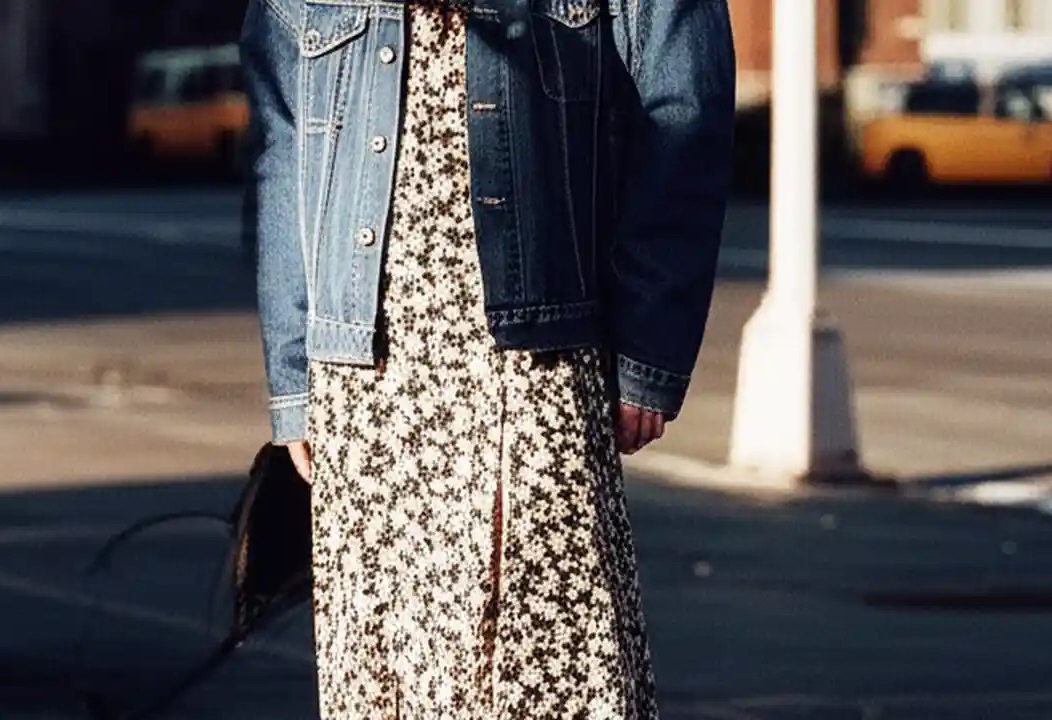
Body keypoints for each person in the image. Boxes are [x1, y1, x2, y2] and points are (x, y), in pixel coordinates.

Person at [240, 0, 734, 716]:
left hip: (537, 362)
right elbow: (280, 153)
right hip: (367, 378)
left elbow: (685, 111)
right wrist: (294, 381)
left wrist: (652, 344)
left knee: (543, 669)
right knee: (388, 680)